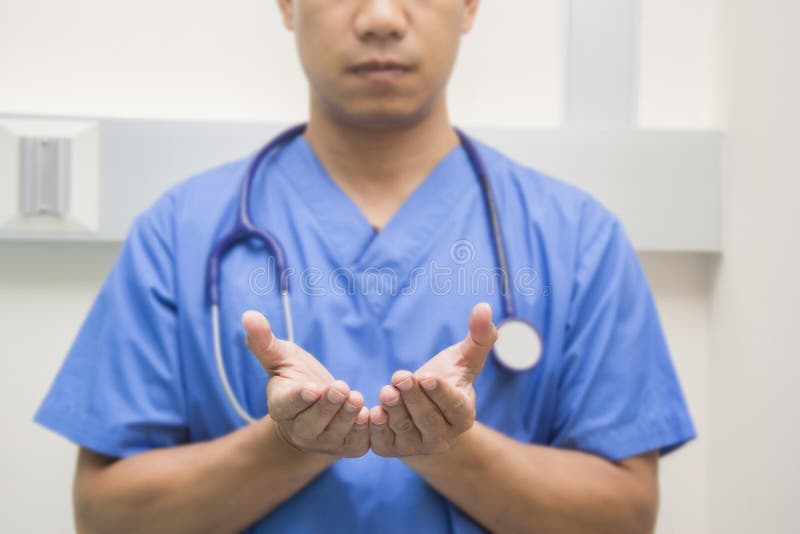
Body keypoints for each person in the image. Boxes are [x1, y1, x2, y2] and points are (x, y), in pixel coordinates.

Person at [33, 1, 696, 532]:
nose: (381, 17)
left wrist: (450, 447)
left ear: (470, 5)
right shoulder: (180, 233)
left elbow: (625, 517)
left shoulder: (577, 239)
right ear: (286, 4)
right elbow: (105, 515)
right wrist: (288, 444)